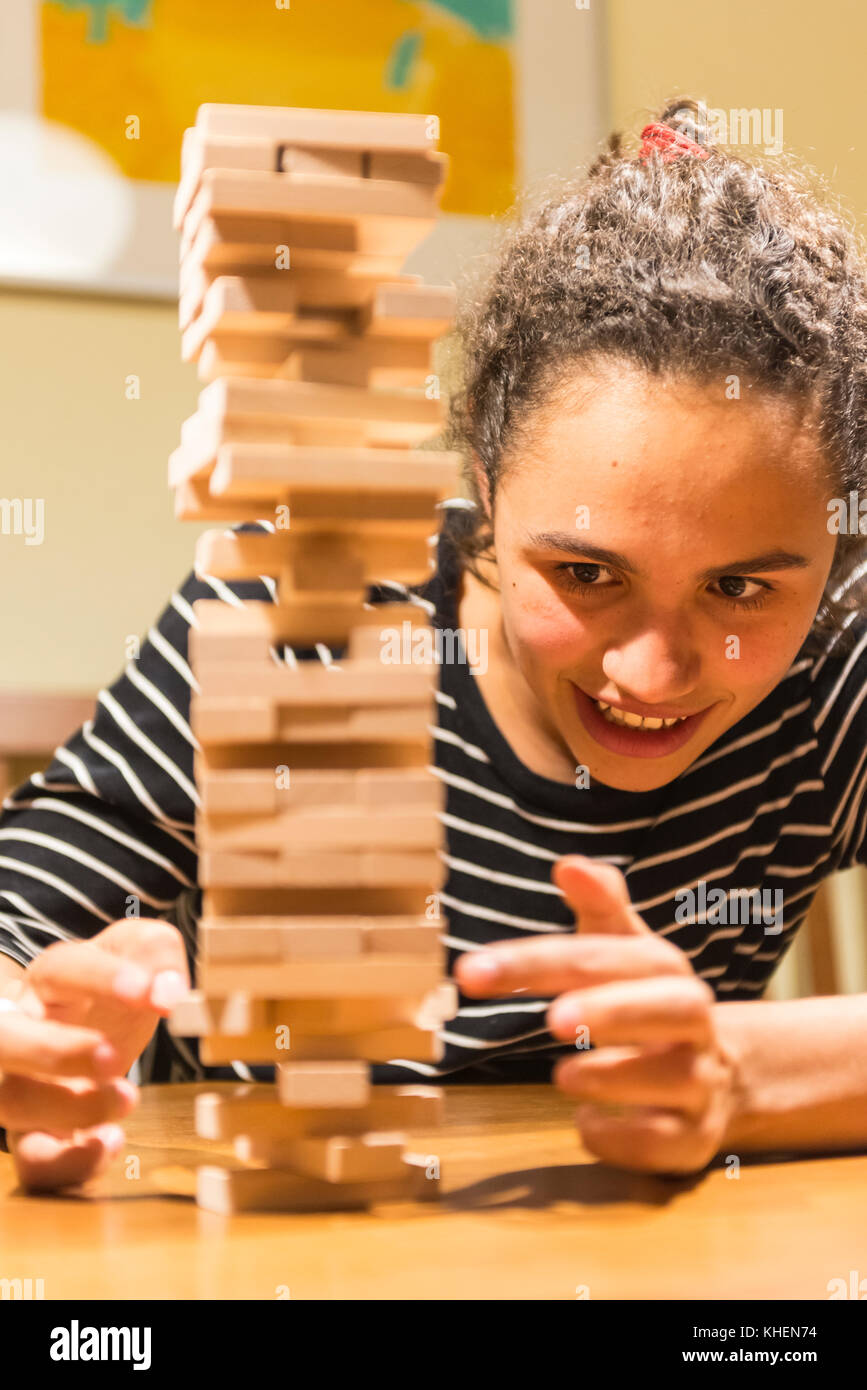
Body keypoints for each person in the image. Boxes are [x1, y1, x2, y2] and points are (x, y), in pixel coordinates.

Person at [3, 97, 867, 1192]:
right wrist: (40, 1032)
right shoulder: (314, 592)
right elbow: (24, 902)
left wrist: (739, 1071)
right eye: (586, 574)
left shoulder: (838, 663)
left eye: (741, 588)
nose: (651, 672)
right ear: (486, 493)